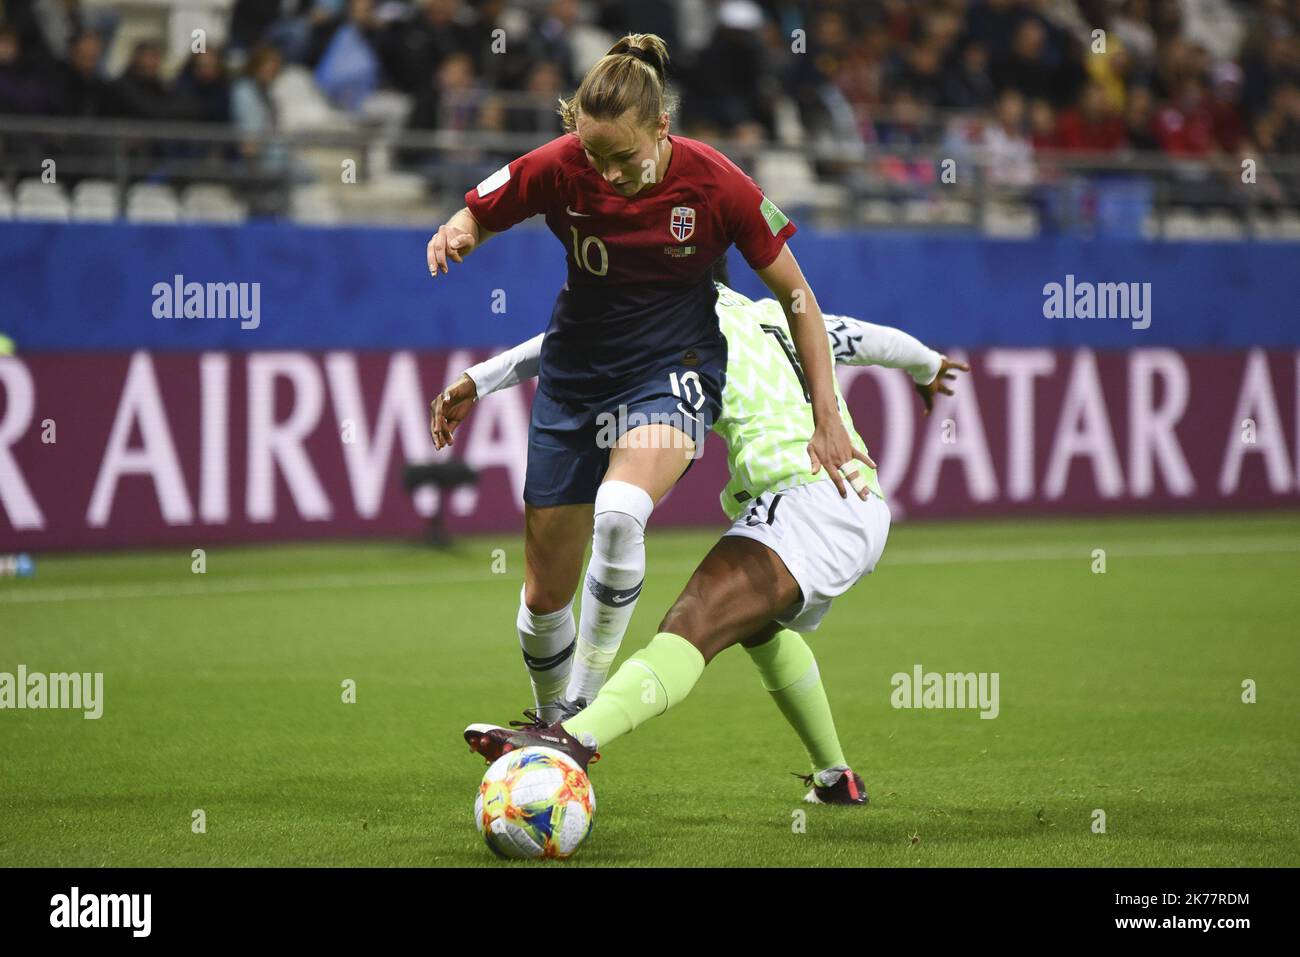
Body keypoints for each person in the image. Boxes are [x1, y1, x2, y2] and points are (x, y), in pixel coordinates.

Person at [426, 34, 871, 725]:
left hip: (674, 369)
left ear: (662, 127)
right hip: (575, 377)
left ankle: (577, 709)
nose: (605, 174)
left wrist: (828, 414)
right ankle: (550, 734)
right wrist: (455, 232)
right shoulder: (562, 164)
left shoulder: (718, 183)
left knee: (620, 511)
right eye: (592, 155)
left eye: (623, 158)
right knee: (545, 597)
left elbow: (800, 300)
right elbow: (480, 212)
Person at [438, 277, 969, 802]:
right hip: (845, 497)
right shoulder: (783, 316)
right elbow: (879, 341)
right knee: (758, 629)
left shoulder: (682, 320)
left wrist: (480, 379)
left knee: (691, 623)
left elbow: (569, 341)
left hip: (810, 500)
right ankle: (835, 778)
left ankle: (570, 738)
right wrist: (929, 366)